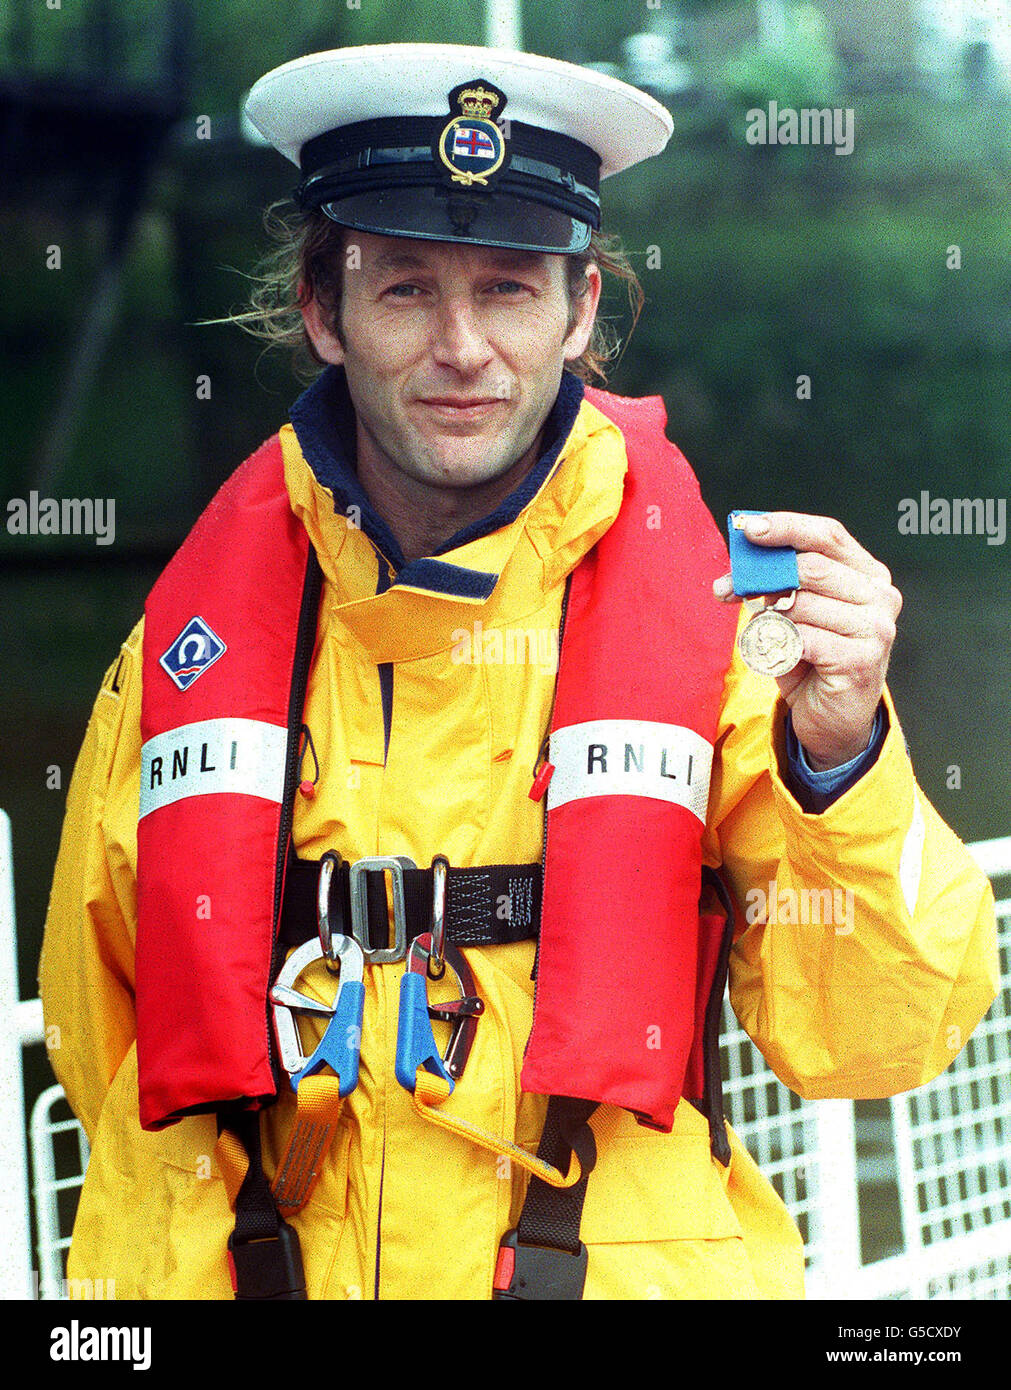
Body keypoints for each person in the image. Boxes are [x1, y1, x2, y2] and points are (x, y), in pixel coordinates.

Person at [39, 42, 998, 1302]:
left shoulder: (721, 630)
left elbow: (881, 1038)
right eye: (404, 292)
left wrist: (842, 756)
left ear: (580, 309)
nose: (461, 349)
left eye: (505, 289)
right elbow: (94, 1026)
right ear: (323, 309)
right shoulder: (182, 650)